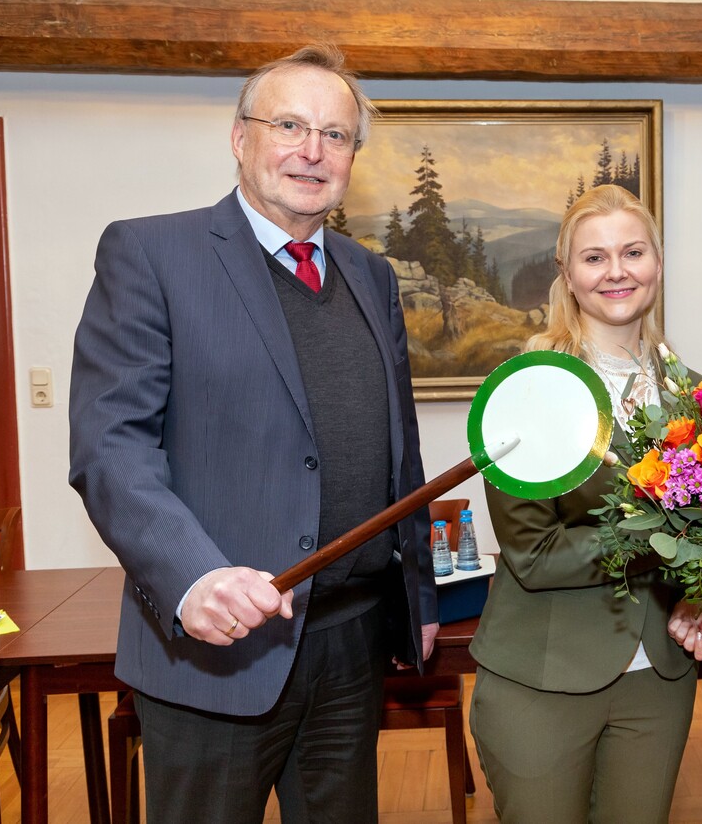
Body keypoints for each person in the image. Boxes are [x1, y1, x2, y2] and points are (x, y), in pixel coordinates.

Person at [68, 44, 437, 823]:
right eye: (291, 125)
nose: (312, 150)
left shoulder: (370, 274)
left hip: (352, 644)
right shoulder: (151, 254)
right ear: (241, 138)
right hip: (217, 652)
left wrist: (419, 593)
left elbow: (399, 447)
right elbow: (112, 450)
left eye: (336, 135)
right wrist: (193, 577)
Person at [469, 184, 702, 824]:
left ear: (656, 261)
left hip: (659, 679)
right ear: (567, 274)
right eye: (594, 257)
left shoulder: (693, 390)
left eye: (633, 252)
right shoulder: (528, 386)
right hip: (541, 679)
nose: (617, 271)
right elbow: (535, 557)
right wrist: (667, 537)